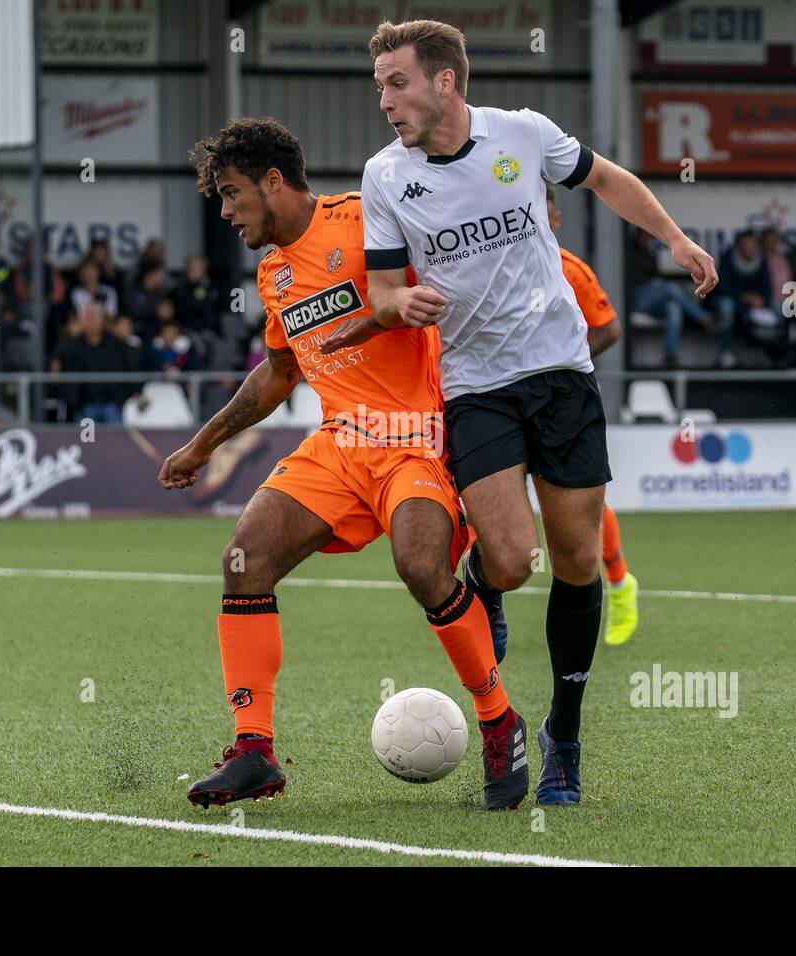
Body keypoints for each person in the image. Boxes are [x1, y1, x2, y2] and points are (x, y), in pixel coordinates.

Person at [321, 19, 717, 805]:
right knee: (507, 561)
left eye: (397, 84)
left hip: (562, 374)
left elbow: (606, 180)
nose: (386, 101)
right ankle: (488, 587)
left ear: (444, 81)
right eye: (379, 88)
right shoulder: (384, 177)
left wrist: (673, 238)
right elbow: (383, 291)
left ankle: (563, 735)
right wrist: (403, 305)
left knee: (577, 562)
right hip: (475, 386)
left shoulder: (522, 135)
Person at [162, 117, 526, 811]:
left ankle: (498, 720)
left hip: (417, 437)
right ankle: (253, 752)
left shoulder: (370, 219)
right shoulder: (273, 274)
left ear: (274, 183)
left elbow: (460, 285)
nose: (227, 212)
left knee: (423, 568)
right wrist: (205, 441)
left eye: (234, 194)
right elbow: (276, 375)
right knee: (244, 559)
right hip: (339, 443)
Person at [546, 183, 637, 647]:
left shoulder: (569, 270)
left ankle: (619, 582)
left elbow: (609, 328)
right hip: (496, 397)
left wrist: (564, 360)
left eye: (544, 212)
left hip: (564, 399)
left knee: (581, 505)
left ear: (555, 221)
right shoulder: (482, 266)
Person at [627, 228, 715, 367]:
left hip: (651, 298)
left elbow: (655, 275)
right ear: (637, 235)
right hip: (633, 298)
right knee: (670, 288)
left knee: (673, 307)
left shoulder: (649, 253)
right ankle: (704, 318)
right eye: (645, 236)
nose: (648, 239)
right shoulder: (627, 253)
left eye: (649, 236)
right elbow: (634, 279)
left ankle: (670, 356)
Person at [54, 303, 136, 423]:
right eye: (88, 317)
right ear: (82, 321)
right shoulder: (71, 347)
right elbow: (65, 375)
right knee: (87, 441)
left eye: (94, 316)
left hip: (112, 405)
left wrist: (121, 399)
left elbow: (128, 369)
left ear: (102, 319)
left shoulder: (116, 345)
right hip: (85, 406)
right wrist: (75, 402)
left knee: (115, 441)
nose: (91, 321)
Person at [709, 230, 773, 368]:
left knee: (776, 307)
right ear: (740, 246)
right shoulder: (728, 258)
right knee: (727, 306)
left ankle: (773, 355)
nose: (750, 249)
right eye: (746, 245)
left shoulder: (761, 260)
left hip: (751, 304)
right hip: (727, 299)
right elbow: (723, 287)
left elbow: (767, 287)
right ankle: (725, 352)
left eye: (752, 245)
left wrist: (760, 299)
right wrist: (743, 297)